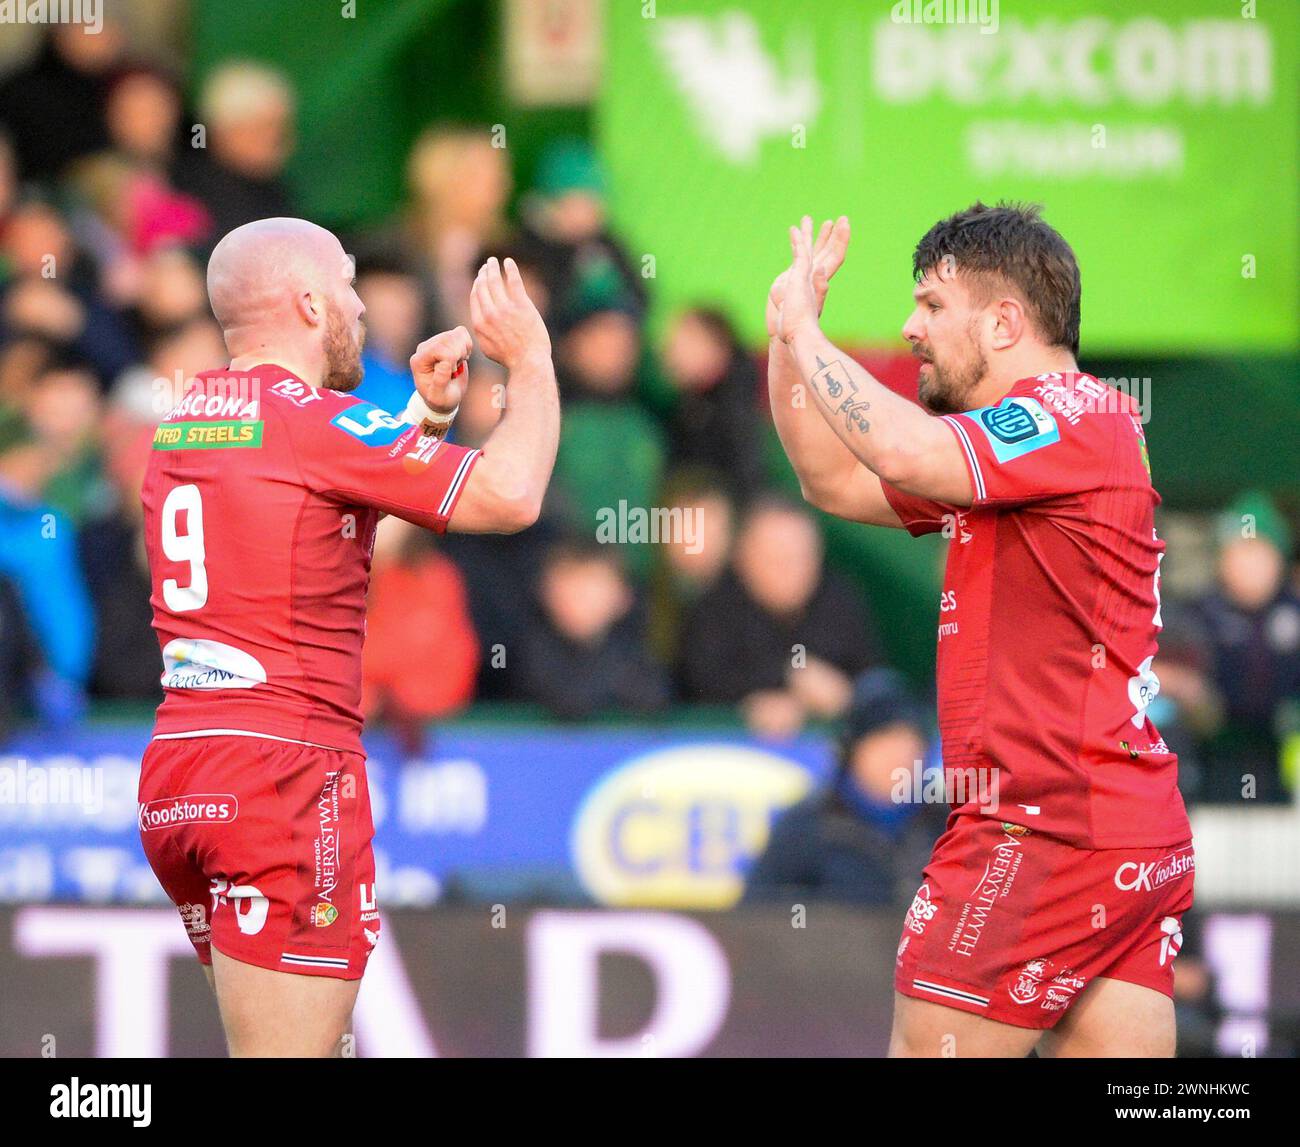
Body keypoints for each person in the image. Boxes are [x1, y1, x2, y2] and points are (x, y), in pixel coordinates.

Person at [767, 203, 1193, 1057]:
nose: (909, 327)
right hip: (1116, 829)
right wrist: (786, 339)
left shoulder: (1068, 413)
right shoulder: (1007, 451)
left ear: (1004, 320)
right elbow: (830, 480)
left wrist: (813, 337)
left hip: (1040, 830)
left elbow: (904, 451)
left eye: (930, 305)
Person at [138, 217, 559, 1057]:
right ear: (306, 302)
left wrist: (424, 419)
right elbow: (512, 495)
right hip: (284, 772)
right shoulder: (315, 422)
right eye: (347, 285)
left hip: (182, 769)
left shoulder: (184, 424)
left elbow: (318, 546)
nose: (362, 308)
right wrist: (534, 360)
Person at [743, 669, 945, 905]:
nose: (899, 755)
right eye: (882, 740)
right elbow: (755, 918)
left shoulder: (946, 826)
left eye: (910, 742)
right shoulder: (807, 827)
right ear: (853, 750)